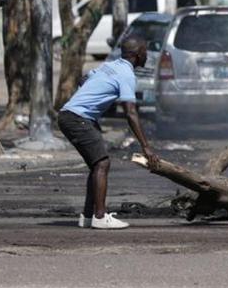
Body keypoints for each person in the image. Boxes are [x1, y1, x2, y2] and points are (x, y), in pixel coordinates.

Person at [58, 37, 158, 230]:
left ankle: (87, 216)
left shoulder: (109, 66)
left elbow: (83, 79)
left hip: (69, 115)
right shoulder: (126, 75)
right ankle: (100, 216)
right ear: (138, 55)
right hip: (77, 118)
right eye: (145, 52)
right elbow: (130, 112)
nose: (147, 55)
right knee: (102, 163)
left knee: (96, 165)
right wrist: (146, 146)